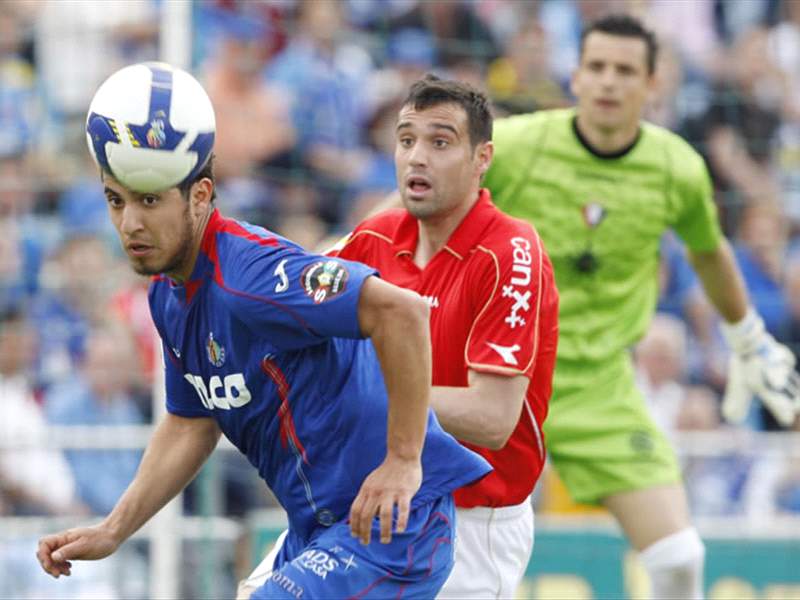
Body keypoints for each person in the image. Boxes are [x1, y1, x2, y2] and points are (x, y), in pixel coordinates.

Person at [36, 63, 492, 599]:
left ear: (201, 195)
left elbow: (401, 312)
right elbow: (190, 424)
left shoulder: (252, 273)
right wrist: (113, 529)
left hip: (393, 529)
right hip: (321, 532)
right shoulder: (168, 295)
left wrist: (402, 459)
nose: (131, 222)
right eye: (118, 200)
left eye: (151, 199)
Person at [482, 14, 800, 599]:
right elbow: (411, 204)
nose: (608, 81)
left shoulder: (676, 167)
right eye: (596, 67)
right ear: (575, 77)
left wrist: (748, 337)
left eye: (625, 70)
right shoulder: (517, 144)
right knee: (469, 570)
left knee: (680, 558)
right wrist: (337, 264)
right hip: (500, 380)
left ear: (652, 84)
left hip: (602, 387)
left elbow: (709, 254)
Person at [242, 75, 559, 599]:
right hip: (370, 499)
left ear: (483, 158)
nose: (417, 157)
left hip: (469, 521)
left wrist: (373, 396)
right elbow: (291, 301)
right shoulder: (375, 238)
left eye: (440, 142)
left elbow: (493, 418)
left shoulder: (512, 252)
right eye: (407, 139)